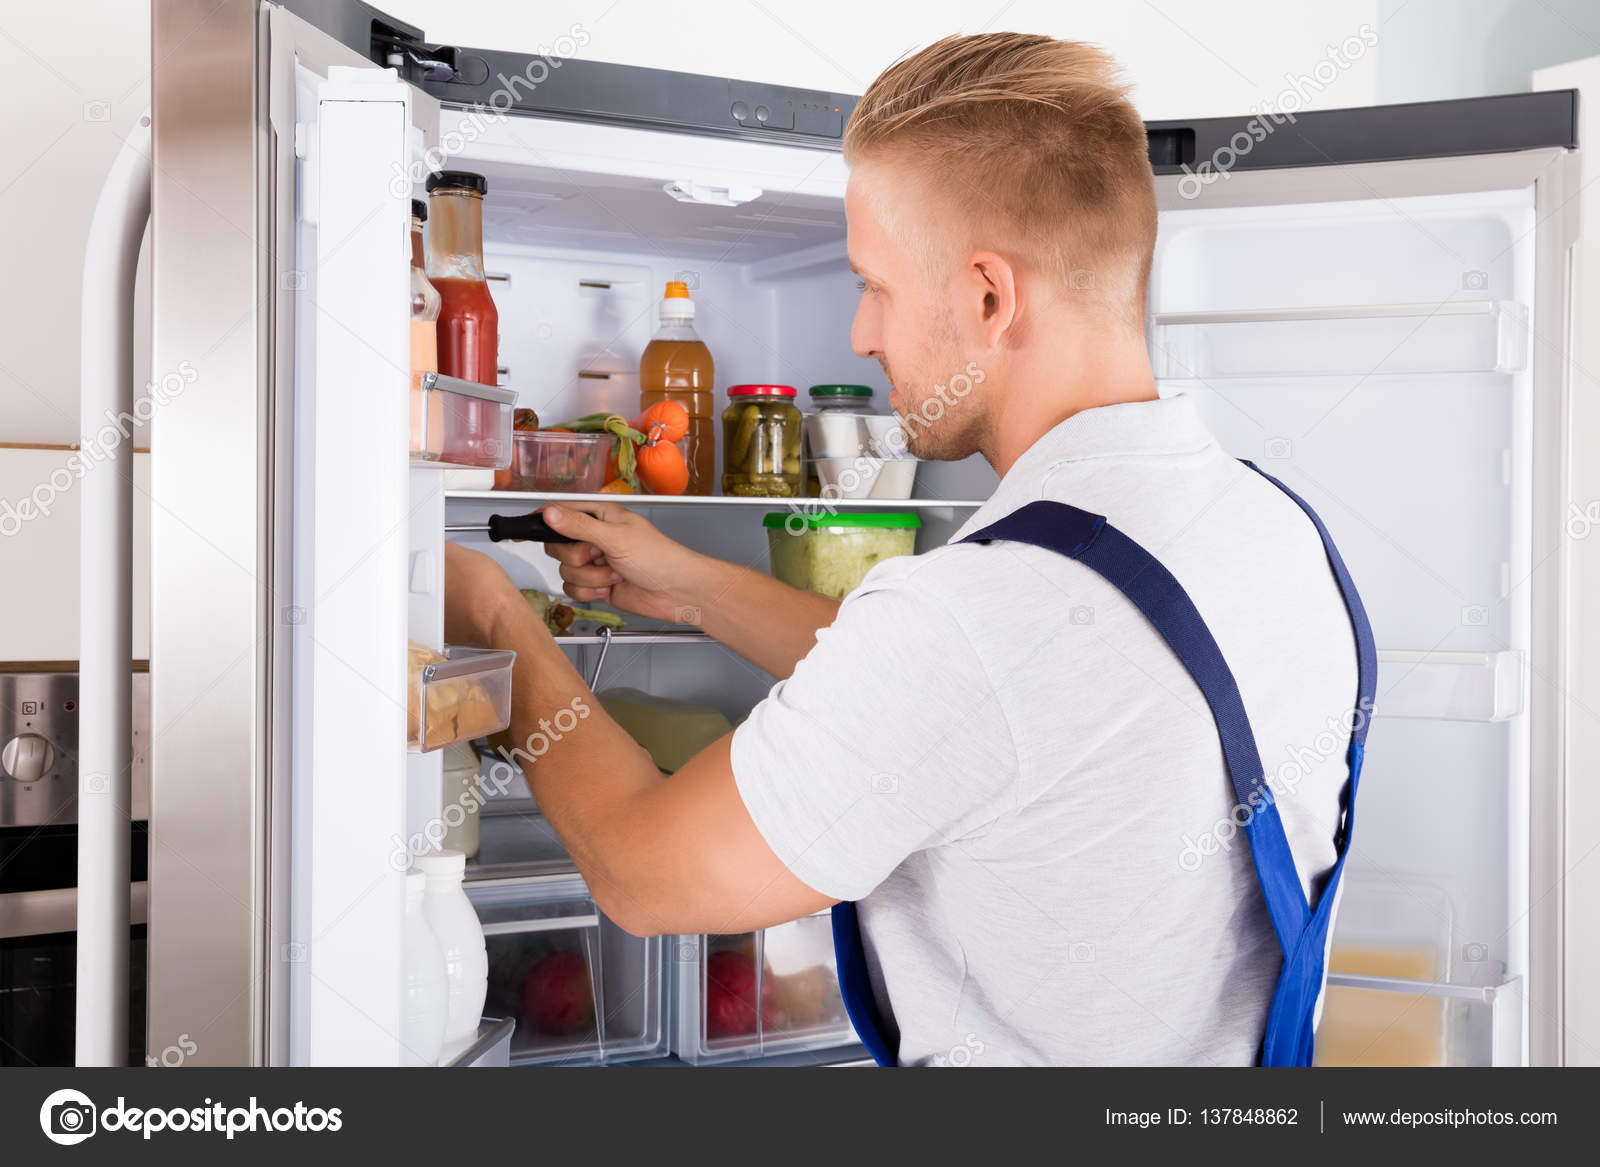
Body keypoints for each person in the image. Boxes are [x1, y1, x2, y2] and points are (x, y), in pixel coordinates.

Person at [444, 32, 1362, 1066]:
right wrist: (699, 590)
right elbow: (1000, 708)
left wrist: (495, 619)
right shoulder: (1272, 528)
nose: (859, 334)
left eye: (872, 283)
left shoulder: (982, 614)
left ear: (986, 296)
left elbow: (647, 877)